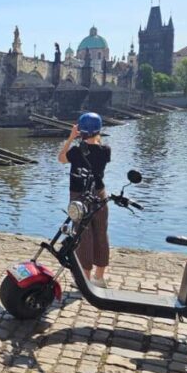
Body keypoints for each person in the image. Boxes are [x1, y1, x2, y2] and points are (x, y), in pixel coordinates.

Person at [57, 112, 111, 288]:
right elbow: (97, 146)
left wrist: (71, 137)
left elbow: (61, 158)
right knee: (101, 233)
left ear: (80, 130)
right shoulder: (105, 151)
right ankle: (99, 278)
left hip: (79, 196)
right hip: (99, 194)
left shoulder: (76, 151)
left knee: (83, 236)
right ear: (99, 130)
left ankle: (85, 279)